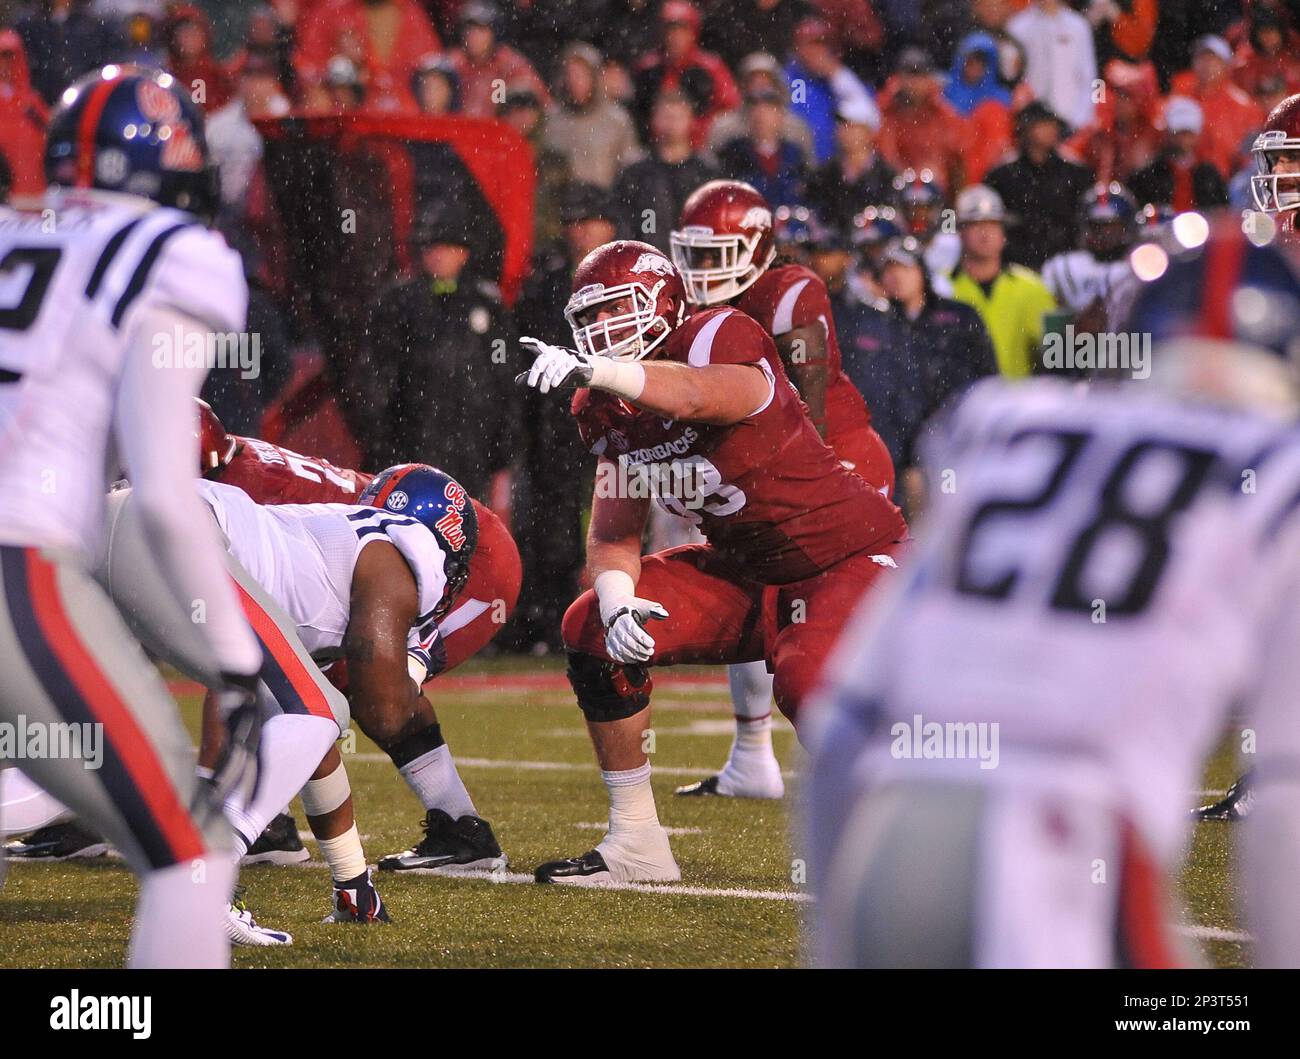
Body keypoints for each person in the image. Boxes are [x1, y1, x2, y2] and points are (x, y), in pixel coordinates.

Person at [804, 222, 1300, 969]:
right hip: (1073, 850)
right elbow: (1287, 793)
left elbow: (849, 717)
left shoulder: (1008, 424)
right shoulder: (1280, 472)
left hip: (897, 831)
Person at [516, 240, 908, 883]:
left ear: (664, 304)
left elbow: (697, 396)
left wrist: (602, 372)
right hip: (748, 569)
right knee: (590, 626)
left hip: (846, 553)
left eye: (616, 308)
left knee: (807, 681)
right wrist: (617, 601)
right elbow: (614, 531)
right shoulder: (603, 406)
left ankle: (916, 838)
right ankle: (636, 843)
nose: (601, 329)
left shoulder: (718, 334)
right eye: (588, 318)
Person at [0, 66, 265, 967]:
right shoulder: (175, 252)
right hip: (16, 564)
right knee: (191, 852)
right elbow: (161, 491)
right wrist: (235, 662)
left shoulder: (18, 231)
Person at [668, 180, 895, 799]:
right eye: (694, 254)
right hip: (760, 469)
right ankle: (751, 759)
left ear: (757, 247)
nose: (702, 270)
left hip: (836, 461)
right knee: (756, 593)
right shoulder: (697, 311)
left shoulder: (789, 291)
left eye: (716, 254)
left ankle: (881, 748)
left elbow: (807, 420)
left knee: (814, 620)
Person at [363, 208, 517, 501]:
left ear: (464, 254)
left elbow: (503, 371)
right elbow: (379, 374)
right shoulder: (398, 302)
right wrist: (382, 436)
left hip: (472, 440)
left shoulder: (487, 303)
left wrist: (504, 441)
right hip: (412, 437)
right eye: (432, 248)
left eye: (448, 247)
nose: (439, 256)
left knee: (467, 514)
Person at [843, 236, 998, 516]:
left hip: (953, 445)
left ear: (921, 271)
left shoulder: (960, 317)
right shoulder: (873, 324)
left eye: (904, 268)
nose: (896, 276)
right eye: (889, 270)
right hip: (893, 450)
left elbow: (987, 378)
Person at [948, 184, 1057, 379]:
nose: (985, 232)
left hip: (1018, 397)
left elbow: (1057, 354)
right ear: (960, 232)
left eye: (992, 224)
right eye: (975, 224)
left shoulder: (1032, 287)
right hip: (961, 396)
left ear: (1003, 233)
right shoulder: (942, 287)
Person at [984, 101, 1094, 271]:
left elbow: (1086, 217)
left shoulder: (1076, 172)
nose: (1052, 130)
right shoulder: (1002, 174)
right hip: (1015, 262)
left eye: (1054, 125)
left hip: (1065, 261)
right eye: (1044, 124)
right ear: (1025, 129)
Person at [612, 90, 718, 253]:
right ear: (653, 120)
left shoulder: (706, 173)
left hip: (695, 259)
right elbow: (625, 224)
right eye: (666, 116)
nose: (672, 123)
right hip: (647, 260)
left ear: (691, 121)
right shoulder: (636, 174)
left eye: (678, 117)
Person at [545, 43, 640, 190]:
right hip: (562, 199)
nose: (574, 81)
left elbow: (630, 169)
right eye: (569, 75)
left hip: (605, 199)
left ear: (594, 77)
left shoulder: (617, 120)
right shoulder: (551, 120)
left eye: (581, 75)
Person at [805, 97, 896, 230]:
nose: (844, 131)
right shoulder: (825, 174)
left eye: (852, 126)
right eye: (841, 125)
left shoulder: (887, 176)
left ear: (869, 132)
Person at [1128, 96, 1230, 213]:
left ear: (1197, 136)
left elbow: (1222, 212)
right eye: (1179, 133)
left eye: (1188, 134)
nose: (1183, 140)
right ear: (1167, 133)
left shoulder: (1209, 175)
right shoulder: (1150, 176)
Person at [1006, 0, 1097, 130]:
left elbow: (1088, 76)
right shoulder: (1018, 26)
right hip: (1032, 121)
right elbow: (1010, 74)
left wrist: (1080, 118)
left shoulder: (1078, 26)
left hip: (1070, 117)